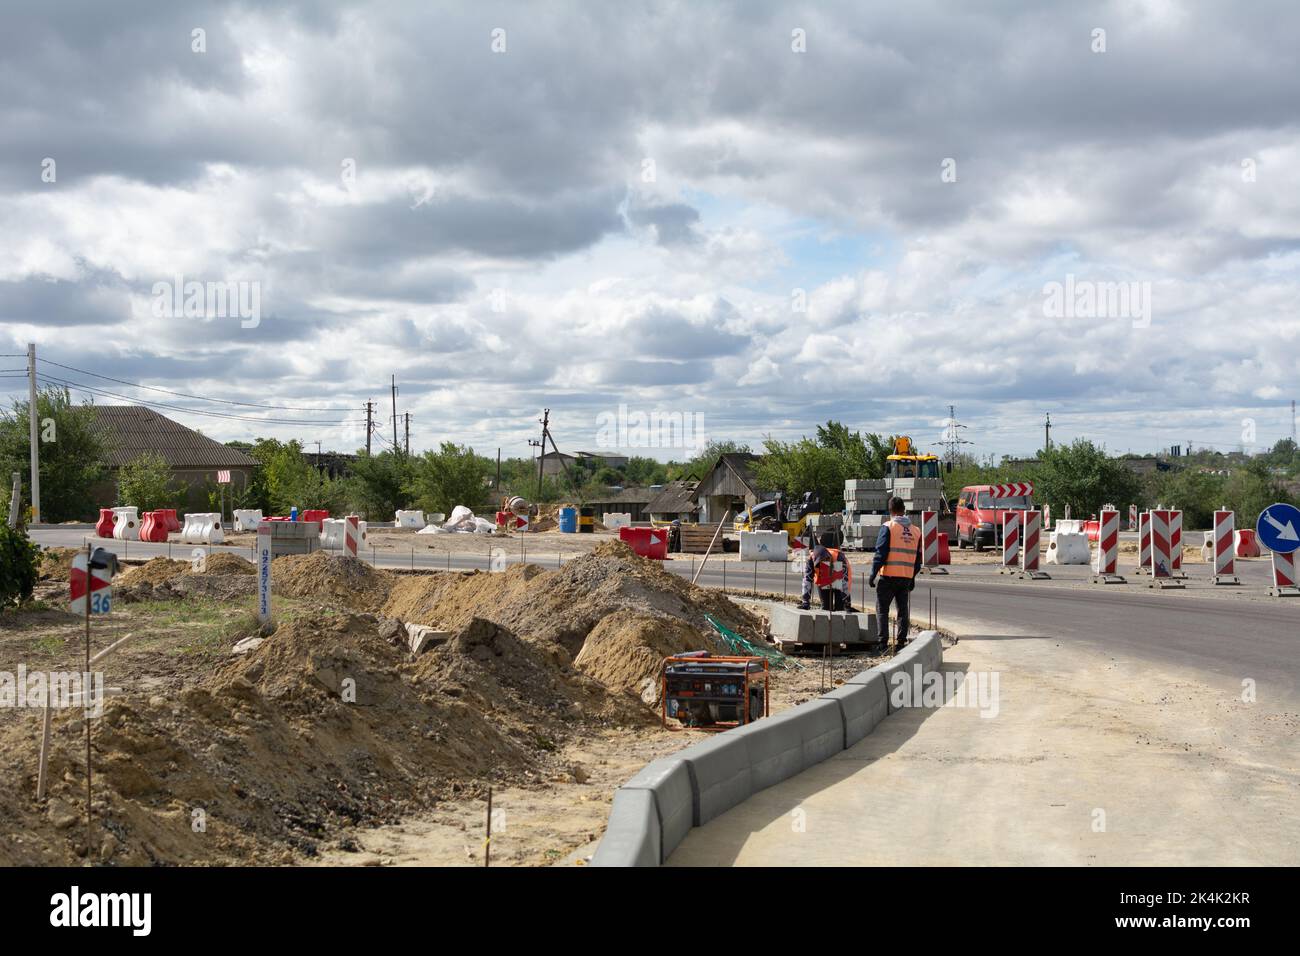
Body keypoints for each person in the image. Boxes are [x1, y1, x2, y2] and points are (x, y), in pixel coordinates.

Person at [868, 497, 922, 649]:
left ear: (890, 510)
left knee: (882, 609)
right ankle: (901, 641)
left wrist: (873, 573)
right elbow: (918, 560)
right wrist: (912, 577)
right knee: (902, 610)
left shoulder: (888, 527)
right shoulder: (916, 531)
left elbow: (881, 553)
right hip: (905, 578)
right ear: (904, 510)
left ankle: (882, 642)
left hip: (888, 577)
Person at [798, 531, 854, 611]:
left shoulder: (838, 557)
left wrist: (847, 602)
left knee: (840, 608)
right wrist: (805, 602)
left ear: (828, 557)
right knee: (826, 608)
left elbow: (844, 581)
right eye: (819, 564)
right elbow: (807, 580)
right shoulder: (811, 560)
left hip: (838, 578)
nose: (823, 565)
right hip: (823, 580)